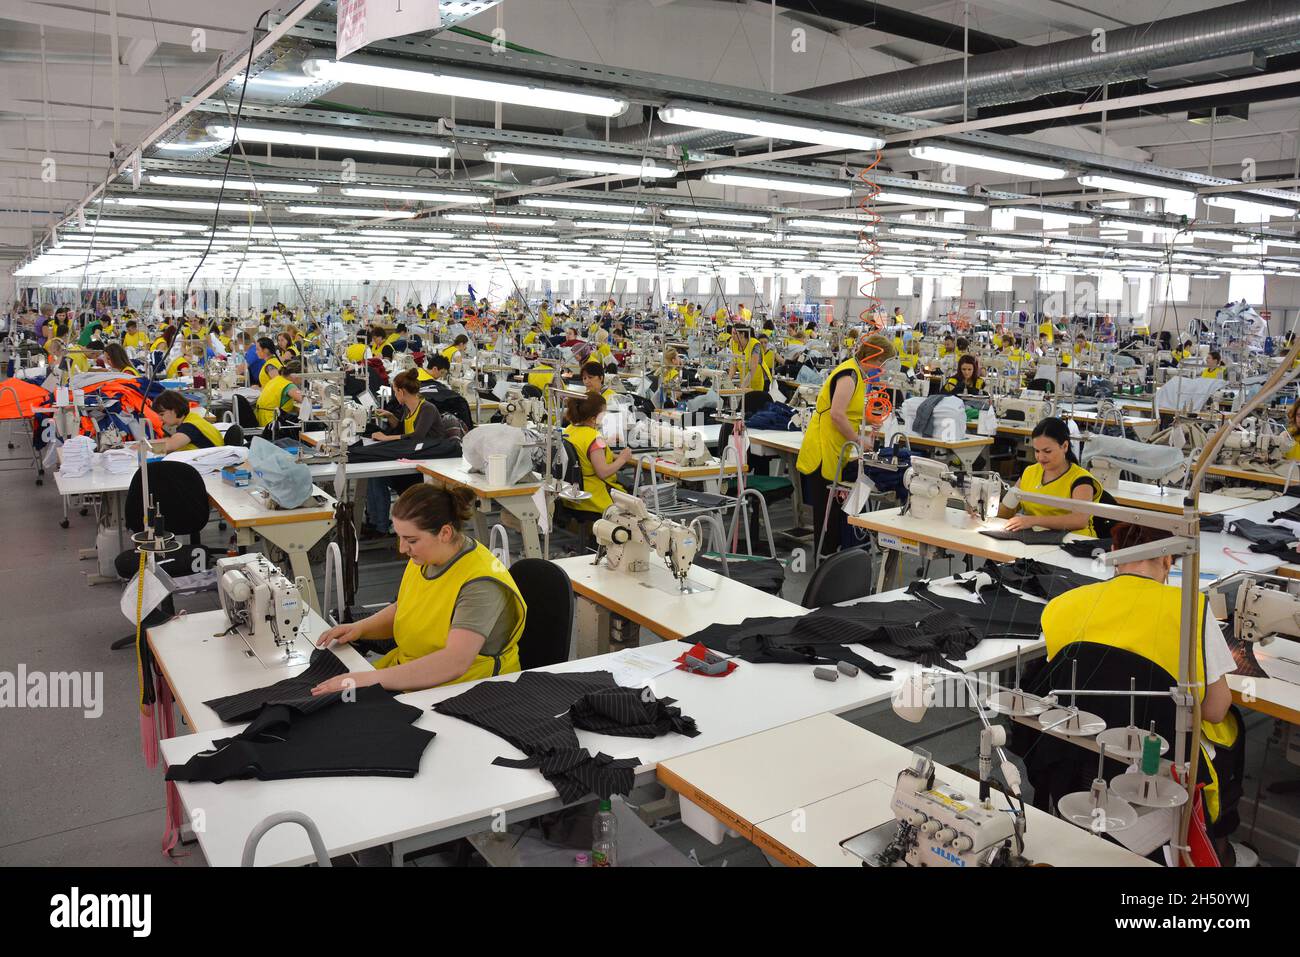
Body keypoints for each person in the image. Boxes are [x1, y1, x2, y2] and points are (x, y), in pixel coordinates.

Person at [1030, 522, 1241, 854]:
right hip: (1158, 762)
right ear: (1168, 560)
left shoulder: (1062, 604)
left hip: (1076, 752)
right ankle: (1220, 837)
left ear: (1114, 554)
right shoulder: (1192, 609)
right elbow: (1215, 710)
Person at [311, 485, 527, 691]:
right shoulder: (428, 556)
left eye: (411, 540)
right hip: (419, 672)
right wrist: (359, 628)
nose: (402, 548)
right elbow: (408, 608)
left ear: (445, 533)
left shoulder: (480, 584)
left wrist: (368, 679)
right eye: (400, 537)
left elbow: (454, 662)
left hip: (467, 689)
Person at [796, 334, 896, 557]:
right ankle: (826, 563)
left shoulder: (858, 375)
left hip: (838, 447)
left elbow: (848, 410)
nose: (883, 368)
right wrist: (860, 440)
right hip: (824, 447)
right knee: (827, 516)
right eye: (882, 363)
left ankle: (840, 557)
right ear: (873, 357)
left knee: (836, 511)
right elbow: (837, 415)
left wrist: (869, 419)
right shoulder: (849, 375)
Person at [999, 416, 1103, 536]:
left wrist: (1032, 521)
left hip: (1074, 541)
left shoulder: (1081, 480)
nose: (1040, 457)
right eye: (1037, 451)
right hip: (1036, 537)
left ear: (1065, 446)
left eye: (1047, 451)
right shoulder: (1029, 472)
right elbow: (1008, 508)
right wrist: (984, 510)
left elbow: (1079, 520)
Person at [371, 370, 445, 443]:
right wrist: (390, 416)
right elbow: (403, 430)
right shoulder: (407, 408)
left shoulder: (428, 409)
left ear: (401, 392)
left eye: (395, 392)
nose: (395, 395)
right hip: (415, 446)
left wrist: (385, 438)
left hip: (433, 448)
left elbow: (417, 436)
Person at [149, 389, 225, 453]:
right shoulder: (192, 418)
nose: (160, 419)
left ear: (175, 410)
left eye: (162, 414)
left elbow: (170, 445)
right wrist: (146, 444)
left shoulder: (189, 427)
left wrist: (145, 448)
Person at [254, 357, 303, 427]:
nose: (302, 380)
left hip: (262, 419)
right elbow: (304, 399)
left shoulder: (276, 380)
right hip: (272, 422)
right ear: (295, 375)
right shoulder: (288, 385)